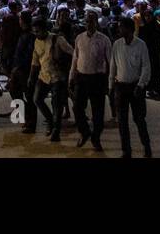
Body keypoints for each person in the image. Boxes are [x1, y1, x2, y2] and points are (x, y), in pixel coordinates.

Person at [109, 16, 153, 158]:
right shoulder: (117, 44)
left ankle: (146, 147)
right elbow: (113, 66)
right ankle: (126, 150)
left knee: (139, 119)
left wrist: (140, 85)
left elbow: (146, 67)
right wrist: (111, 86)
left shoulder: (141, 45)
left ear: (129, 29)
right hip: (120, 87)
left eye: (121, 27)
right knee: (122, 122)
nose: (119, 29)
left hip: (136, 87)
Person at [69, 11, 110, 150]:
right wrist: (71, 76)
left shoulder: (104, 40)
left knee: (98, 111)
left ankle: (96, 138)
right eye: (86, 21)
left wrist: (109, 82)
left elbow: (109, 61)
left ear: (96, 22)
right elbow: (75, 59)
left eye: (91, 21)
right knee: (77, 107)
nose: (88, 24)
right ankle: (84, 132)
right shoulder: (79, 38)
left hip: (97, 78)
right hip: (81, 77)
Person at [29, 17, 71, 142]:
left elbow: (72, 52)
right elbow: (35, 60)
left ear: (44, 29)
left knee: (57, 105)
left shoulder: (57, 39)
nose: (36, 34)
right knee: (37, 99)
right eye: (34, 32)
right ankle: (50, 121)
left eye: (38, 31)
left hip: (58, 77)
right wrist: (31, 77)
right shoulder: (37, 41)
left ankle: (56, 131)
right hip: (44, 76)